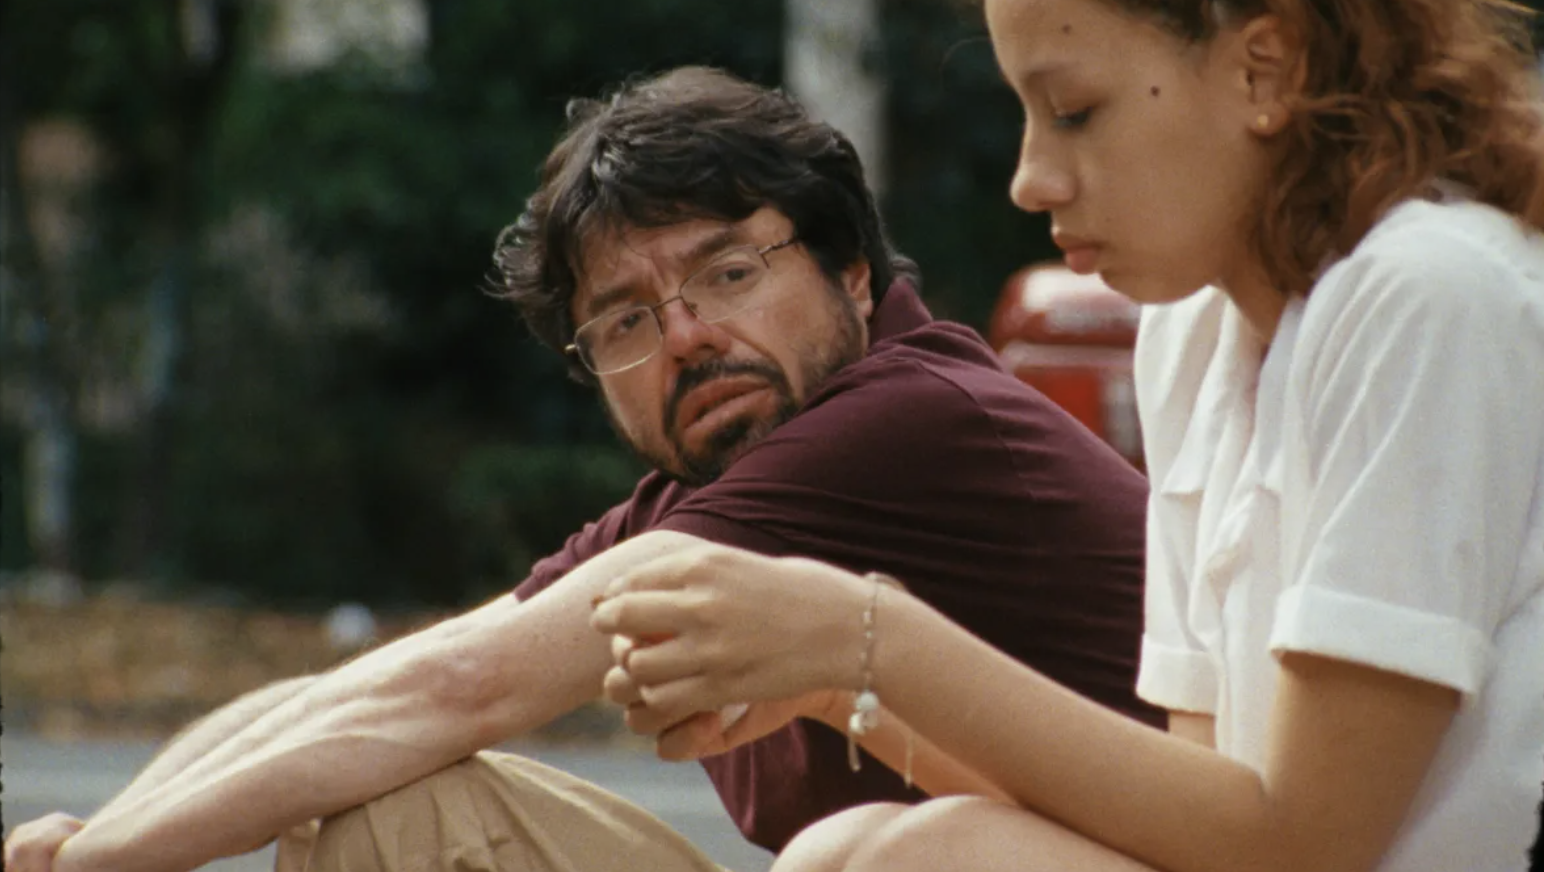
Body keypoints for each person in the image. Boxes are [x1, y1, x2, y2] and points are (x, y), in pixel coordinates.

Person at [3, 66, 1162, 872]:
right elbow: (375, 687)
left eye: (727, 274)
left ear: (850, 273)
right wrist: (103, 830)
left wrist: (110, 858)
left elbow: (459, 689)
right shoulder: (707, 500)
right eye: (625, 319)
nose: (686, 335)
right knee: (398, 803)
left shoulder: (905, 419)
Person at [592, 2, 1544, 871]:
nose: (1030, 180)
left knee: (907, 861)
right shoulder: (1197, 333)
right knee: (847, 851)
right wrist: (840, 684)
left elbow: (1302, 844)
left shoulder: (1426, 297)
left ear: (1265, 70)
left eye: (1075, 112)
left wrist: (868, 637)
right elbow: (1193, 824)